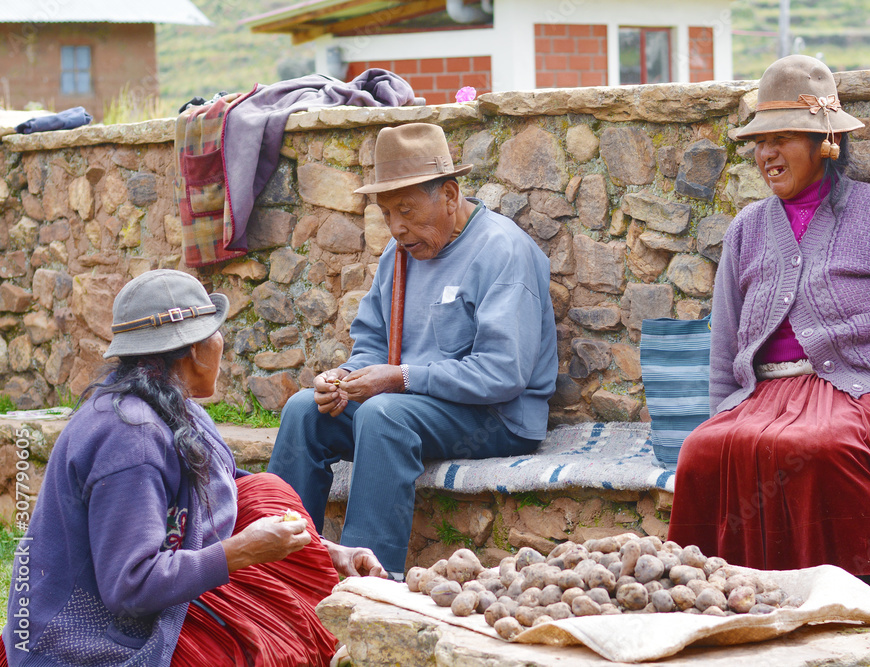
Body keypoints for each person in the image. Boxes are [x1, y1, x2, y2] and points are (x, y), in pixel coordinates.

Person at [666, 55, 870, 616]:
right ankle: (731, 601)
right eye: (760, 142)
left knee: (821, 446)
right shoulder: (746, 230)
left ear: (827, 141)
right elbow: (725, 351)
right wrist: (725, 418)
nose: (766, 154)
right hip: (767, 398)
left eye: (783, 139)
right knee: (702, 452)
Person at [1, 270, 385, 667]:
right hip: (91, 640)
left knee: (264, 493)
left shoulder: (173, 407)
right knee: (265, 648)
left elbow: (219, 498)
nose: (223, 344)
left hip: (152, 600)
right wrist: (241, 550)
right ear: (197, 350)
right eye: (217, 332)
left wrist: (329, 551)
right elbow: (129, 586)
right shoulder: (131, 438)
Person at [267, 122, 558, 579]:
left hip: (497, 418)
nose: (397, 227)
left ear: (449, 194)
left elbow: (504, 373)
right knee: (305, 410)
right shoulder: (399, 254)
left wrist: (399, 379)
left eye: (406, 210)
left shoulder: (502, 251)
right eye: (386, 213)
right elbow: (372, 346)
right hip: (415, 403)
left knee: (383, 415)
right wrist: (344, 378)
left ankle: (368, 584)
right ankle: (284, 571)